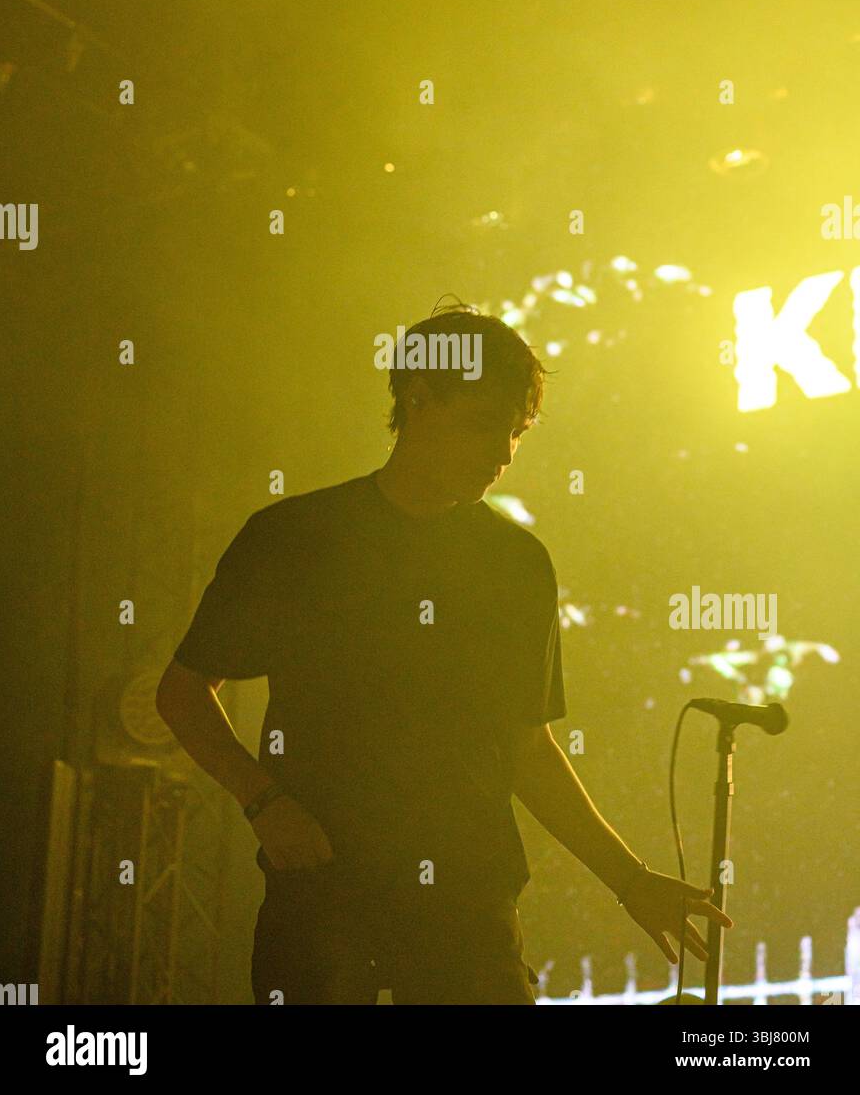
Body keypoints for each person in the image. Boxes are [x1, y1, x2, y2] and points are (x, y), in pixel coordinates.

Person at [156, 301, 732, 1004]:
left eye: (518, 432)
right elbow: (182, 693)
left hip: (467, 896)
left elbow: (527, 747)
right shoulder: (294, 537)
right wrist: (265, 803)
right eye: (486, 424)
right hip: (323, 893)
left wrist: (630, 879)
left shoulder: (516, 564)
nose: (504, 453)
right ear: (419, 399)